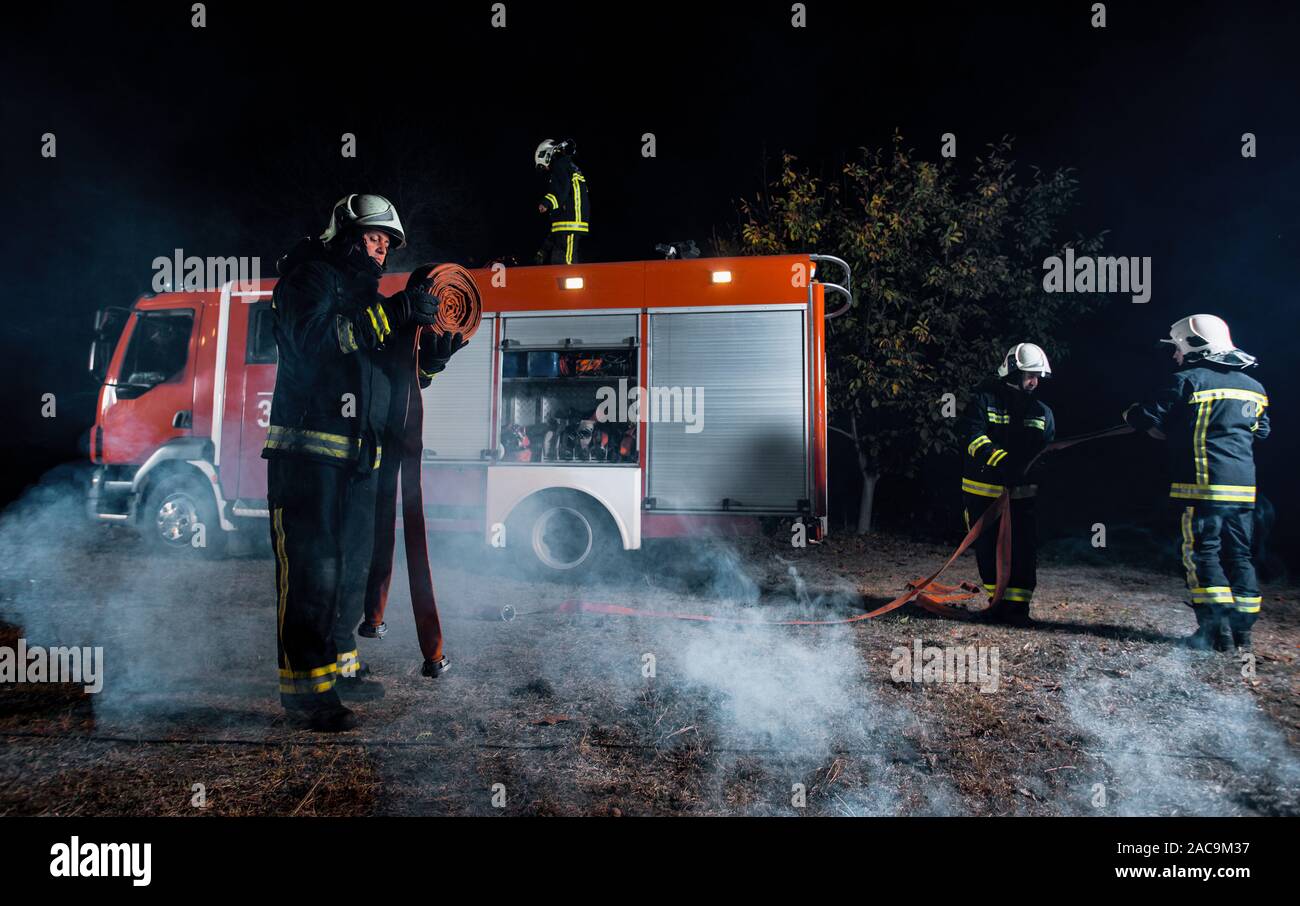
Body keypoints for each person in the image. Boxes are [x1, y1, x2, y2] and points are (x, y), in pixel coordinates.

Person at [263, 193, 440, 732]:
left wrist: (432, 357)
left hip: (361, 460)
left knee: (351, 569)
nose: (381, 249)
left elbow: (394, 378)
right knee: (313, 573)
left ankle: (340, 666)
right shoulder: (309, 279)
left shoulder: (369, 298)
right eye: (373, 237)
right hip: (308, 458)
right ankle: (307, 692)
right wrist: (393, 312)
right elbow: (314, 342)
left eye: (387, 243)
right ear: (345, 235)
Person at [1123, 314, 1269, 653]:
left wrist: (1130, 413)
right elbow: (1260, 431)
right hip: (1244, 490)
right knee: (1240, 554)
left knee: (1202, 553)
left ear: (1194, 346)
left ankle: (1215, 630)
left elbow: (1144, 417)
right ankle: (1242, 633)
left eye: (1177, 348)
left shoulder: (1187, 380)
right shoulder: (1255, 387)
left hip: (1202, 487)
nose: (1175, 355)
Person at [959, 343, 1057, 625]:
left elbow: (1047, 451)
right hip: (983, 494)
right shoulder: (983, 401)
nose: (1035, 382)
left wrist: (1035, 471)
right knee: (989, 550)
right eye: (1030, 375)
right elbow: (973, 438)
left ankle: (1019, 608)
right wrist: (1003, 462)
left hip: (1022, 497)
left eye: (1038, 376)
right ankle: (998, 602)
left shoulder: (1042, 412)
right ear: (1014, 372)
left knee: (1023, 551)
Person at [535, 138, 589, 264]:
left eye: (543, 166)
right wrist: (543, 251)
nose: (546, 170)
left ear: (546, 156)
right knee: (559, 261)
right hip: (567, 221)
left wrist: (546, 203)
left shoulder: (560, 166)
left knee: (566, 263)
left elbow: (561, 190)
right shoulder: (569, 166)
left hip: (569, 222)